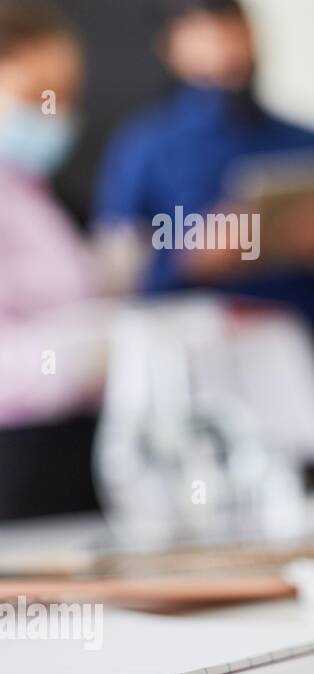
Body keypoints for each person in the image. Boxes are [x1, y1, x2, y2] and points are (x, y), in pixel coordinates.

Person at [93, 0, 314, 350]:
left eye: (233, 25)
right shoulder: (143, 148)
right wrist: (188, 260)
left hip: (302, 344)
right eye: (203, 29)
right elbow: (112, 278)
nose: (224, 43)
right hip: (191, 353)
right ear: (171, 47)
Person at [0, 0, 115, 519]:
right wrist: (75, 356)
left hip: (76, 446)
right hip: (17, 457)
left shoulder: (32, 188)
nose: (55, 115)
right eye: (38, 97)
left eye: (66, 97)